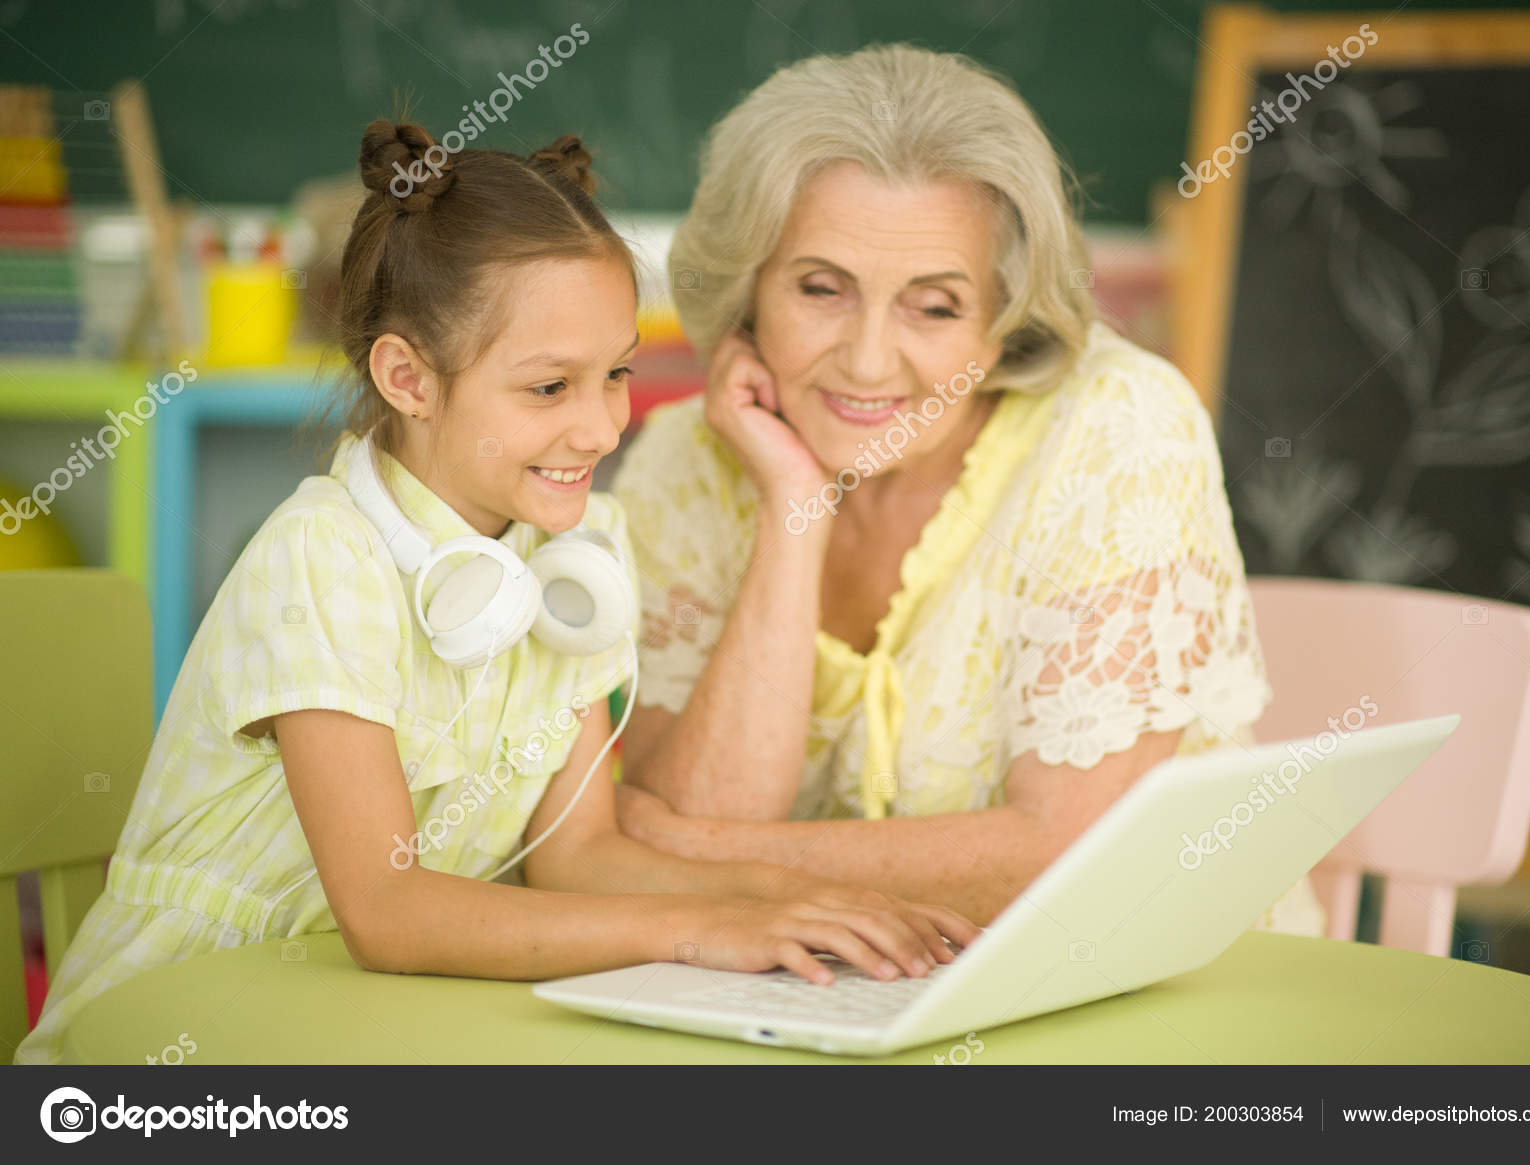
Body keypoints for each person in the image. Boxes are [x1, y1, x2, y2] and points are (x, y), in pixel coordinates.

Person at [15, 120, 975, 1065]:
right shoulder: (323, 556)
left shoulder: (581, 546)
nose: (603, 428)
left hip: (359, 1025)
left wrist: (779, 897)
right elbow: (390, 916)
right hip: (170, 1035)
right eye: (550, 388)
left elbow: (579, 853)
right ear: (408, 378)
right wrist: (696, 930)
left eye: (617, 375)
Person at [612, 44, 1327, 934]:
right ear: (748, 294)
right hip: (837, 997)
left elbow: (1067, 861)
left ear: (1005, 317)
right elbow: (665, 870)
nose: (868, 359)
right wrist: (796, 514)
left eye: (935, 305)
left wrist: (699, 854)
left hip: (1148, 990)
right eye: (821, 289)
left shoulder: (1117, 425)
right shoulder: (689, 455)